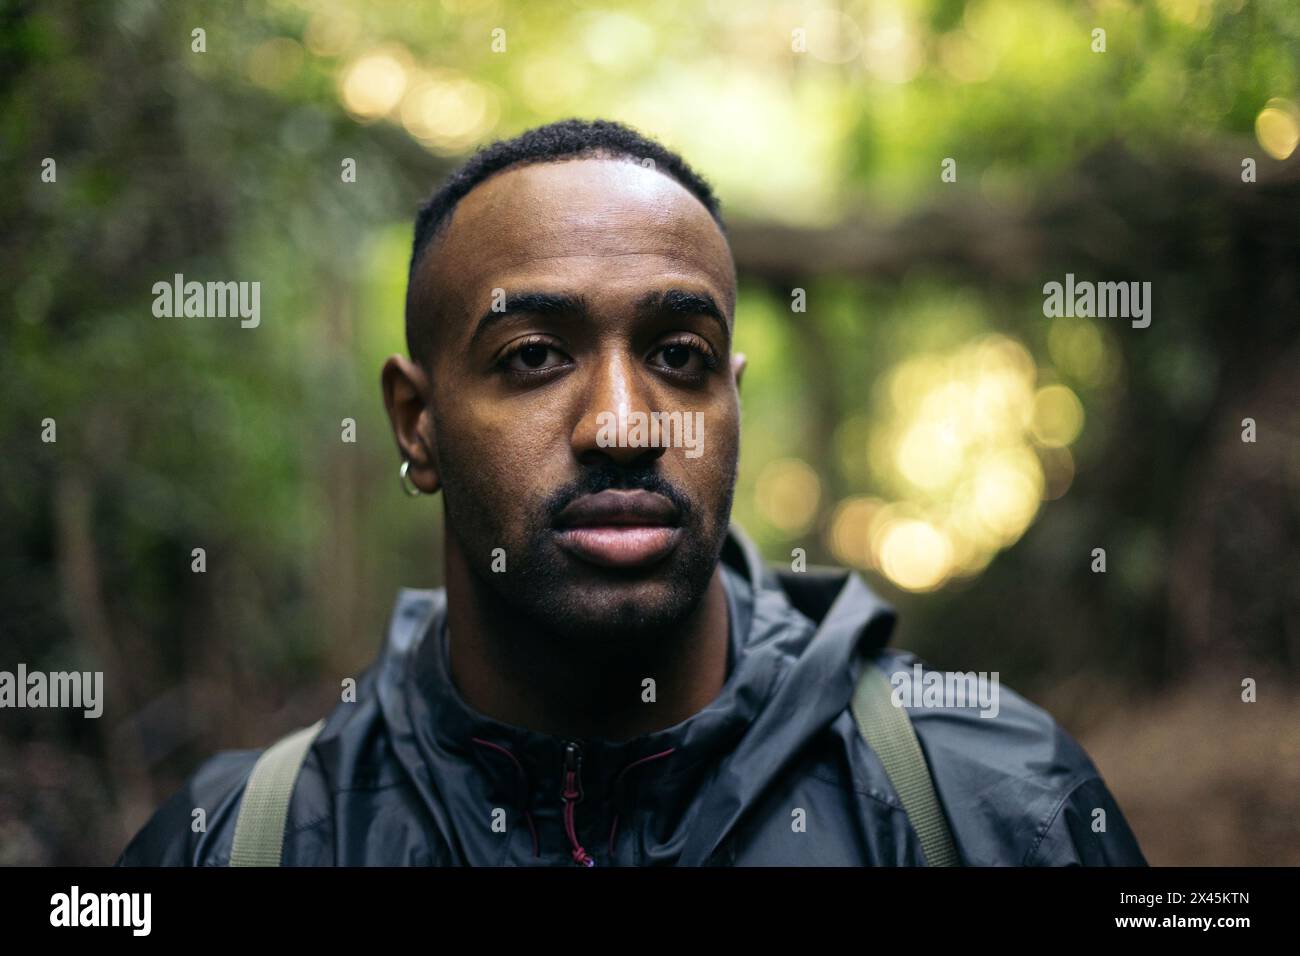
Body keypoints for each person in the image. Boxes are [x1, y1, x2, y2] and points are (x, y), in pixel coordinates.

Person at [117, 118, 1146, 867]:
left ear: (730, 401)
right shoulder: (236, 843)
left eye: (679, 354)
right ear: (415, 424)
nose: (622, 424)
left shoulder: (999, 808)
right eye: (531, 356)